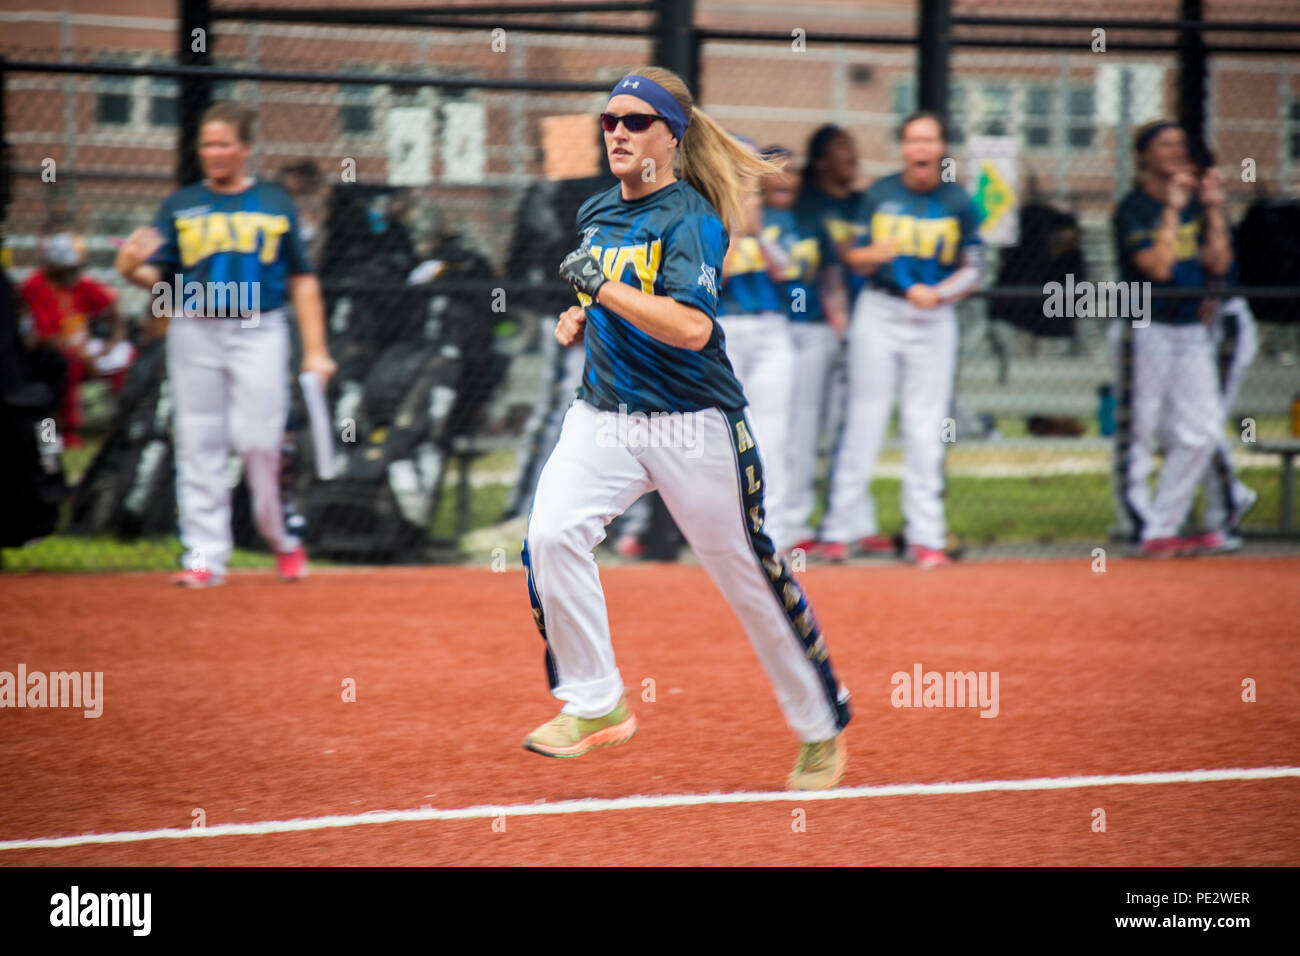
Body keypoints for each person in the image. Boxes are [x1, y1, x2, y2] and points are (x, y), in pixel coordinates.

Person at [521, 67, 852, 790]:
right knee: (549, 535)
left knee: (747, 578)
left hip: (692, 424)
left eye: (636, 121)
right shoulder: (597, 212)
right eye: (609, 120)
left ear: (670, 137)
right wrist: (580, 314)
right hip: (605, 413)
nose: (617, 132)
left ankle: (819, 727)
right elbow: (606, 297)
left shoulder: (692, 218)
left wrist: (600, 288)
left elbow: (693, 328)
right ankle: (596, 701)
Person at [114, 102, 336, 586]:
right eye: (206, 144)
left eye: (223, 143)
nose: (213, 153)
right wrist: (131, 269)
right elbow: (164, 278)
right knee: (198, 441)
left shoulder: (274, 202)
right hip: (194, 327)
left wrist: (317, 350)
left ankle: (282, 538)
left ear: (244, 148)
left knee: (260, 441)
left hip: (259, 327)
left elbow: (302, 279)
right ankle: (204, 556)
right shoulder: (181, 204)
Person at [816, 111, 984, 568]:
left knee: (924, 425)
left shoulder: (959, 200)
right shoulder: (881, 192)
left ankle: (925, 536)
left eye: (929, 141)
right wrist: (870, 254)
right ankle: (837, 531)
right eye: (913, 141)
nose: (921, 150)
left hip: (934, 318)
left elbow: (974, 267)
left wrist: (940, 293)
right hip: (882, 309)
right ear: (904, 148)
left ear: (942, 148)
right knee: (864, 419)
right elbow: (854, 256)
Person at [1110, 120, 1233, 557]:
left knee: (1201, 432)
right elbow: (1159, 267)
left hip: (1191, 329)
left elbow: (1218, 263)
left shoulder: (1199, 205)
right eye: (1164, 145)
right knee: (1141, 428)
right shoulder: (1133, 208)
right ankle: (1143, 522)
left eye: (1180, 144)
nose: (1176, 151)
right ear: (1144, 155)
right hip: (1147, 325)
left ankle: (1164, 523)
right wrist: (1172, 209)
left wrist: (1214, 208)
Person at [714, 143, 797, 551]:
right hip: (724, 331)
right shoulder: (708, 218)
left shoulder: (776, 218)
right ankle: (726, 533)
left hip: (771, 330)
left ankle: (773, 532)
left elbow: (788, 272)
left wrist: (760, 231)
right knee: (723, 435)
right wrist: (734, 230)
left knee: (773, 433)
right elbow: (713, 278)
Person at [782, 126, 855, 552]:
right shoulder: (767, 215)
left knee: (820, 427)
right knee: (787, 429)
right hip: (779, 329)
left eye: (790, 173)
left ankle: (810, 521)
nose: (784, 181)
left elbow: (830, 276)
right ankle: (785, 518)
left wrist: (839, 322)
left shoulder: (813, 219)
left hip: (818, 329)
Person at [19, 232, 132, 447]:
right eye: (68, 269)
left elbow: (112, 304)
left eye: (76, 268)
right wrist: (80, 354)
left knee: (126, 356)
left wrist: (115, 340)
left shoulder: (82, 284)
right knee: (64, 365)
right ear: (53, 266)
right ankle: (60, 436)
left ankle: (125, 424)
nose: (74, 273)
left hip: (82, 348)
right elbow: (42, 336)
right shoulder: (35, 285)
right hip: (45, 355)